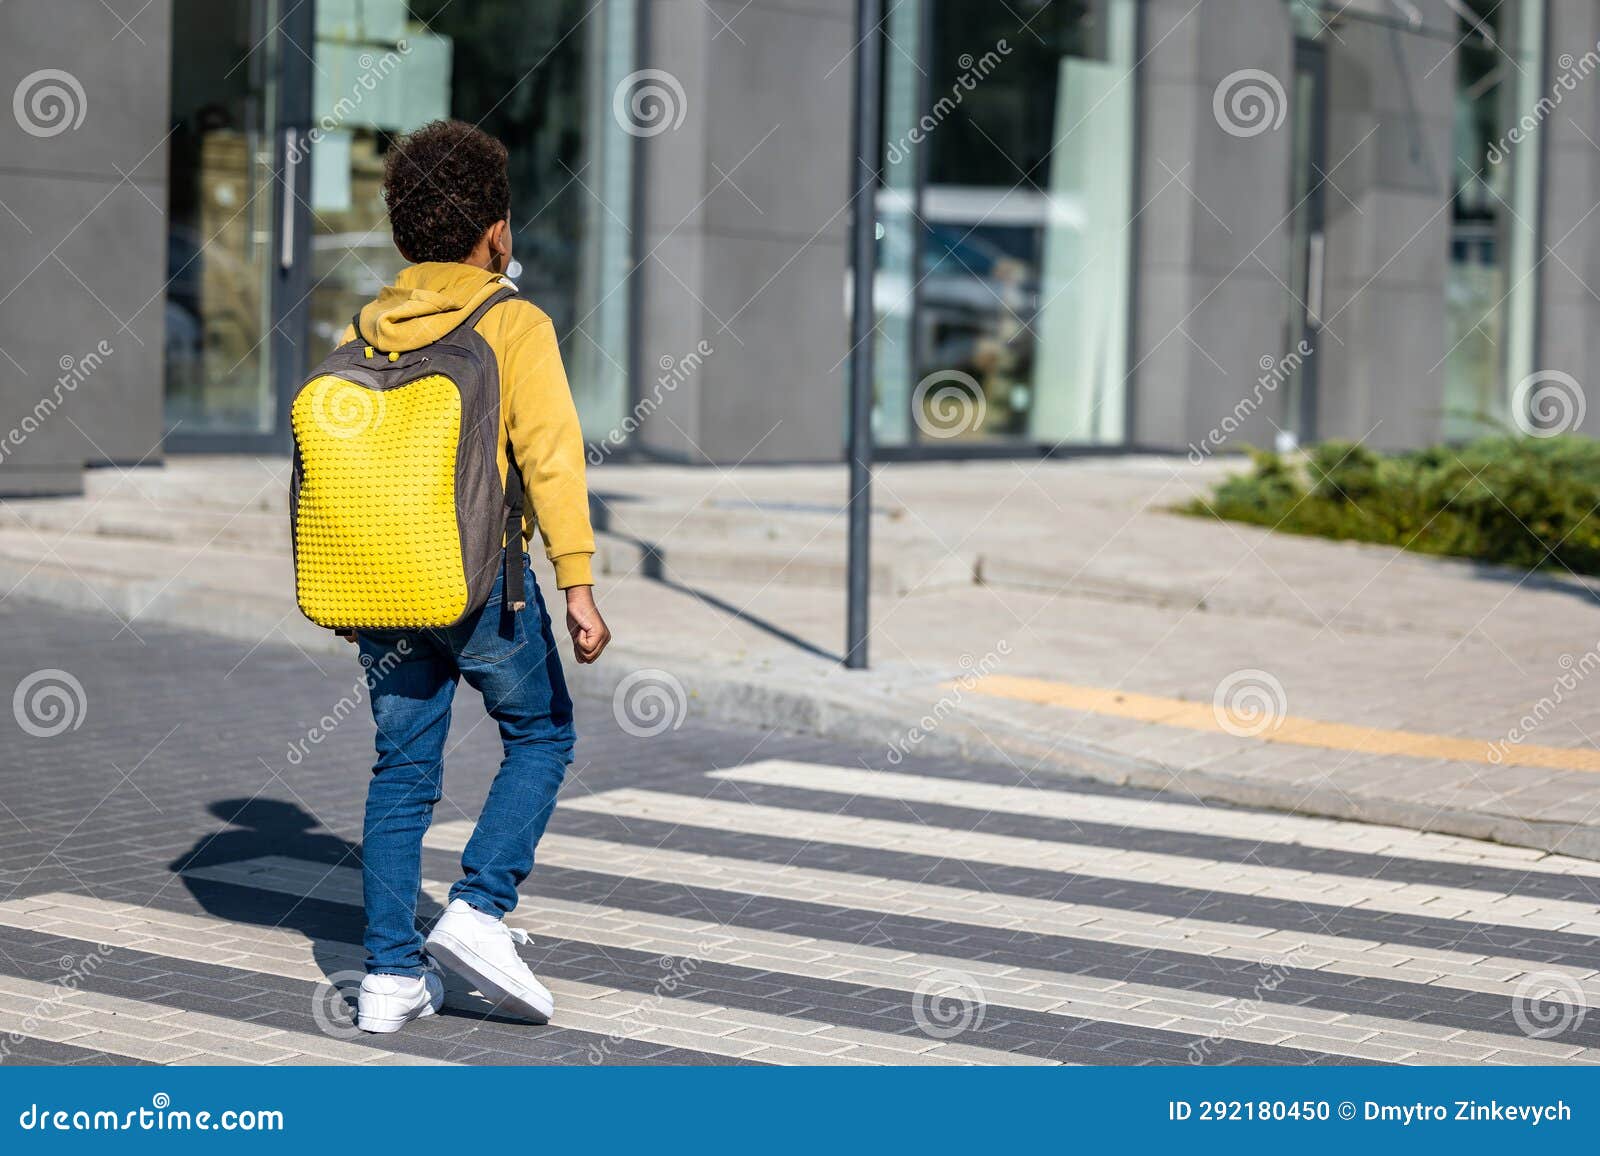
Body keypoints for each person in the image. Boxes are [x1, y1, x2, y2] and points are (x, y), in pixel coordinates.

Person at [344, 120, 610, 1034]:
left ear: (402, 231)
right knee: (541, 735)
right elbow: (551, 457)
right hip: (487, 586)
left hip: (384, 582)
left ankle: (386, 978)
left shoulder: (368, 327)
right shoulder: (511, 322)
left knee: (401, 766)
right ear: (496, 229)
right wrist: (576, 581)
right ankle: (480, 909)